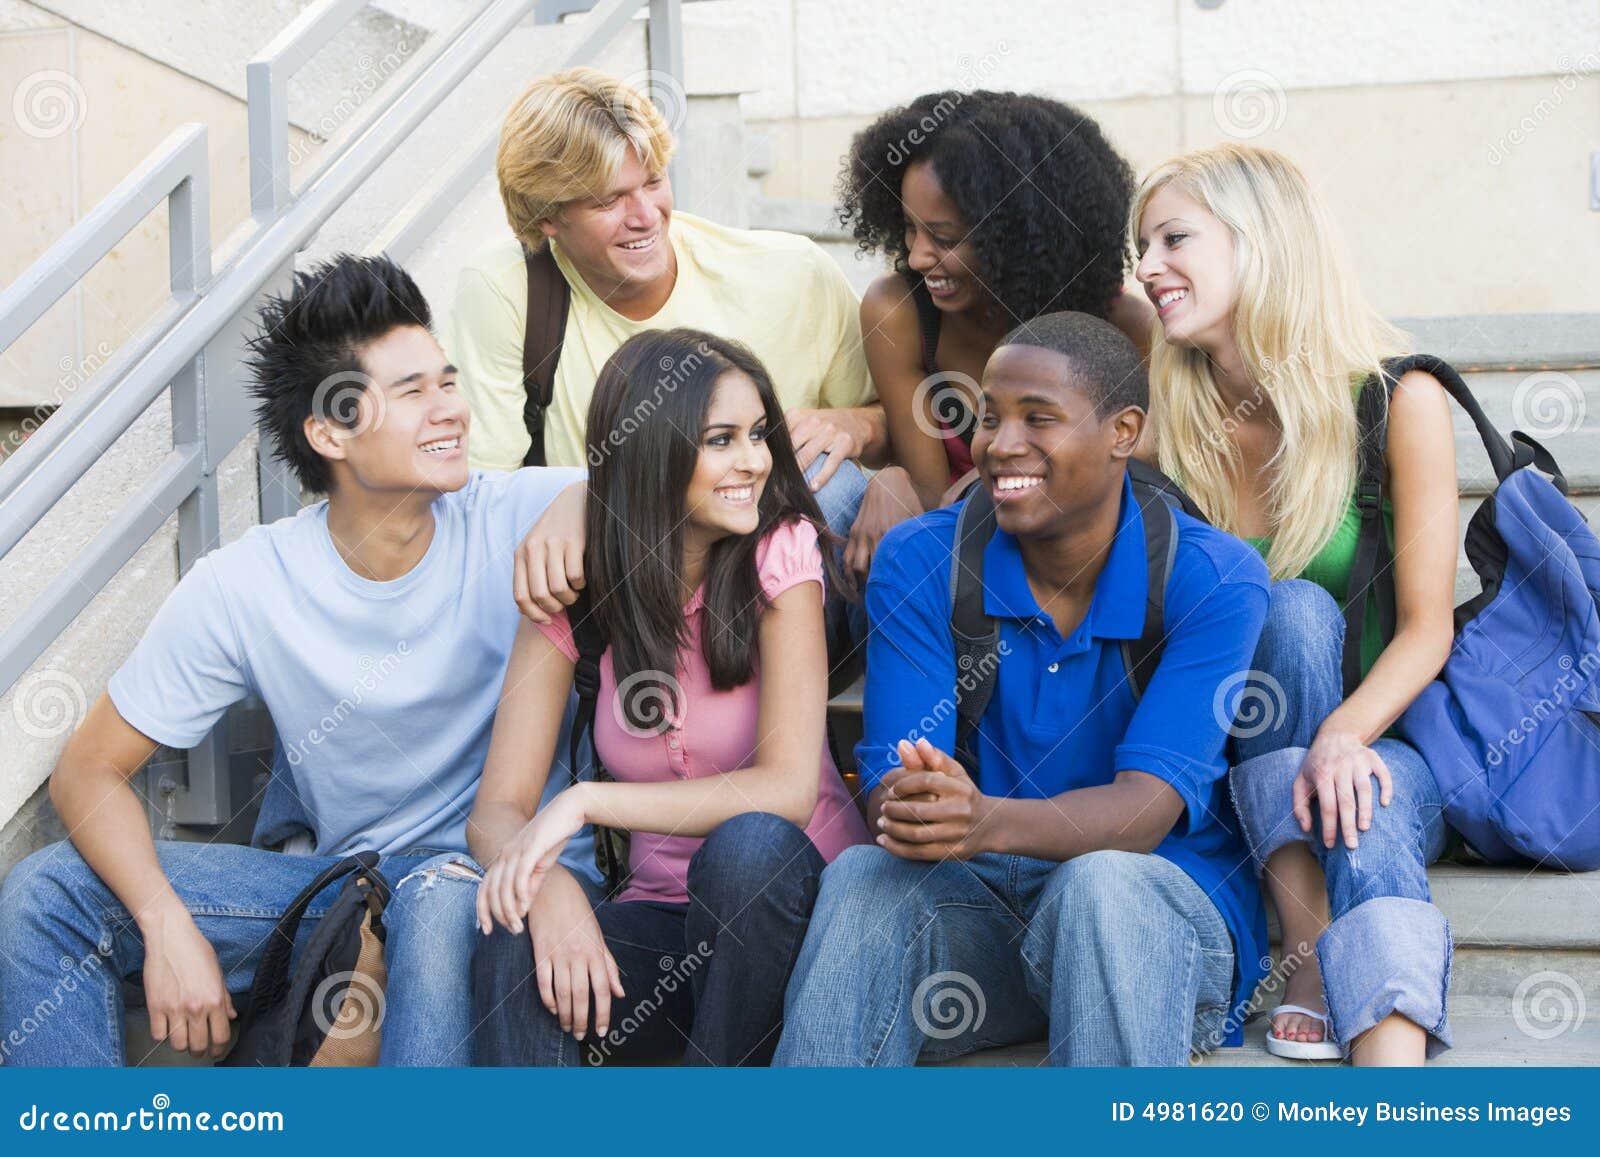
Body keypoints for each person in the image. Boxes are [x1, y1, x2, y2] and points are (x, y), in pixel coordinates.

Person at [0, 254, 592, 1067]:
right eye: (412, 391)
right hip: (345, 894)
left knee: (433, 905)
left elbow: (684, 471)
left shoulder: (523, 512)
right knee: (45, 894)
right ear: (329, 430)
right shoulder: (248, 584)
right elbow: (86, 770)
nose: (449, 408)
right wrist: (166, 921)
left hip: (501, 883)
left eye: (447, 381)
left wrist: (588, 498)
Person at [773, 312, 1269, 1067]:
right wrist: (917, 806)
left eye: (1039, 419)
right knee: (865, 876)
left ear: (1123, 432)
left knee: (1102, 886)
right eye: (990, 418)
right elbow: (895, 787)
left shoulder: (1213, 577)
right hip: (984, 920)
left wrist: (982, 819)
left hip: (1151, 915)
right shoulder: (922, 558)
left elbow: (1143, 811)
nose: (1001, 445)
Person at [1133, 143, 1458, 1064]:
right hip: (1229, 777)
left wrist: (1345, 732)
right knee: (1283, 613)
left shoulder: (1399, 401)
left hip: (1385, 739)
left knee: (1371, 792)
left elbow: (1430, 624)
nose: (1148, 266)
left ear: (1261, 242)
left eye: (1174, 238)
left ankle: (1368, 1057)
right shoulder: (1167, 427)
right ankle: (1310, 950)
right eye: (1141, 244)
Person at [470, 328, 870, 1067]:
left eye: (758, 435)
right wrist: (550, 885)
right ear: (653, 452)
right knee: (510, 924)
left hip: (793, 917)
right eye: (721, 439)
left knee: (747, 848)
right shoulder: (579, 593)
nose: (753, 460)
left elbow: (783, 792)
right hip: (661, 920)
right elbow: (496, 809)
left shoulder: (780, 555)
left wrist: (585, 801)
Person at [448, 66, 889, 556]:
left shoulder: (793, 272)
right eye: (608, 200)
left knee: (833, 486)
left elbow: (910, 429)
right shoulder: (506, 288)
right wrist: (573, 499)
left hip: (767, 554)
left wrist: (859, 424)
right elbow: (484, 492)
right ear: (547, 215)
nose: (644, 216)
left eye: (653, 181)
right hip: (618, 557)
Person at [839, 90, 1156, 573]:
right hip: (961, 564)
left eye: (945, 239)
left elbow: (1138, 485)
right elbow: (931, 502)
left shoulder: (1123, 328)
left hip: (1089, 569)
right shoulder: (899, 313)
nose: (920, 256)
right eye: (909, 228)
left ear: (1019, 239)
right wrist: (891, 480)